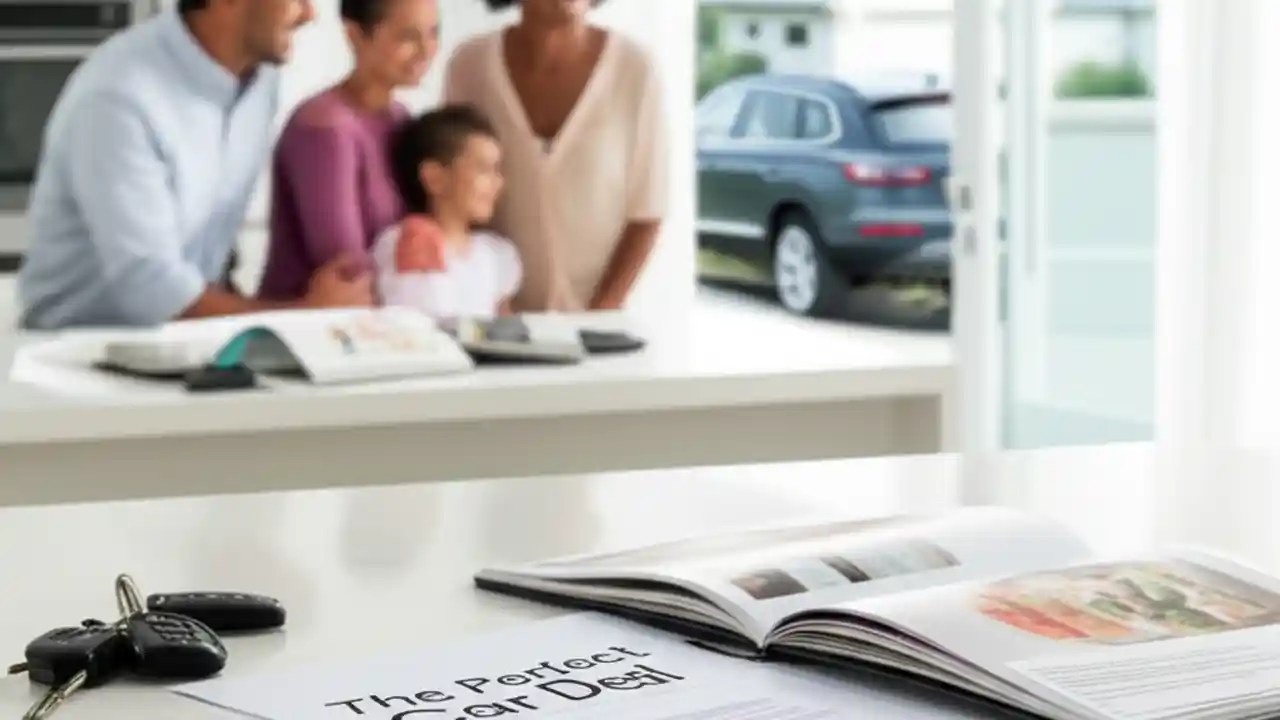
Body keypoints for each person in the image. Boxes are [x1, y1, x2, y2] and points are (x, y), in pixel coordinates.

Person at [17, 0, 373, 330]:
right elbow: (153, 292)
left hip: (179, 345)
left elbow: (209, 253)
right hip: (73, 360)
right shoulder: (119, 98)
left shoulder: (260, 79)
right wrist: (305, 318)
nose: (309, 14)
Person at [443, 0, 667, 312]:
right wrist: (495, 300)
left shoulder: (635, 69)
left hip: (601, 329)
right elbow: (454, 198)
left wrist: (601, 313)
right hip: (495, 321)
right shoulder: (469, 66)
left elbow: (648, 209)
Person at [258, 0, 439, 301]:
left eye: (433, 33)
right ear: (354, 35)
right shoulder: (324, 127)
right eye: (408, 37)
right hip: (308, 330)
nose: (426, 50)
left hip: (382, 324)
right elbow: (346, 268)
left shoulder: (401, 119)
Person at [373, 105, 520, 319]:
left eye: (497, 170)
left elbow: (505, 330)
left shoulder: (496, 254)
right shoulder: (403, 241)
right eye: (483, 169)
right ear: (434, 178)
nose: (498, 183)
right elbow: (412, 319)